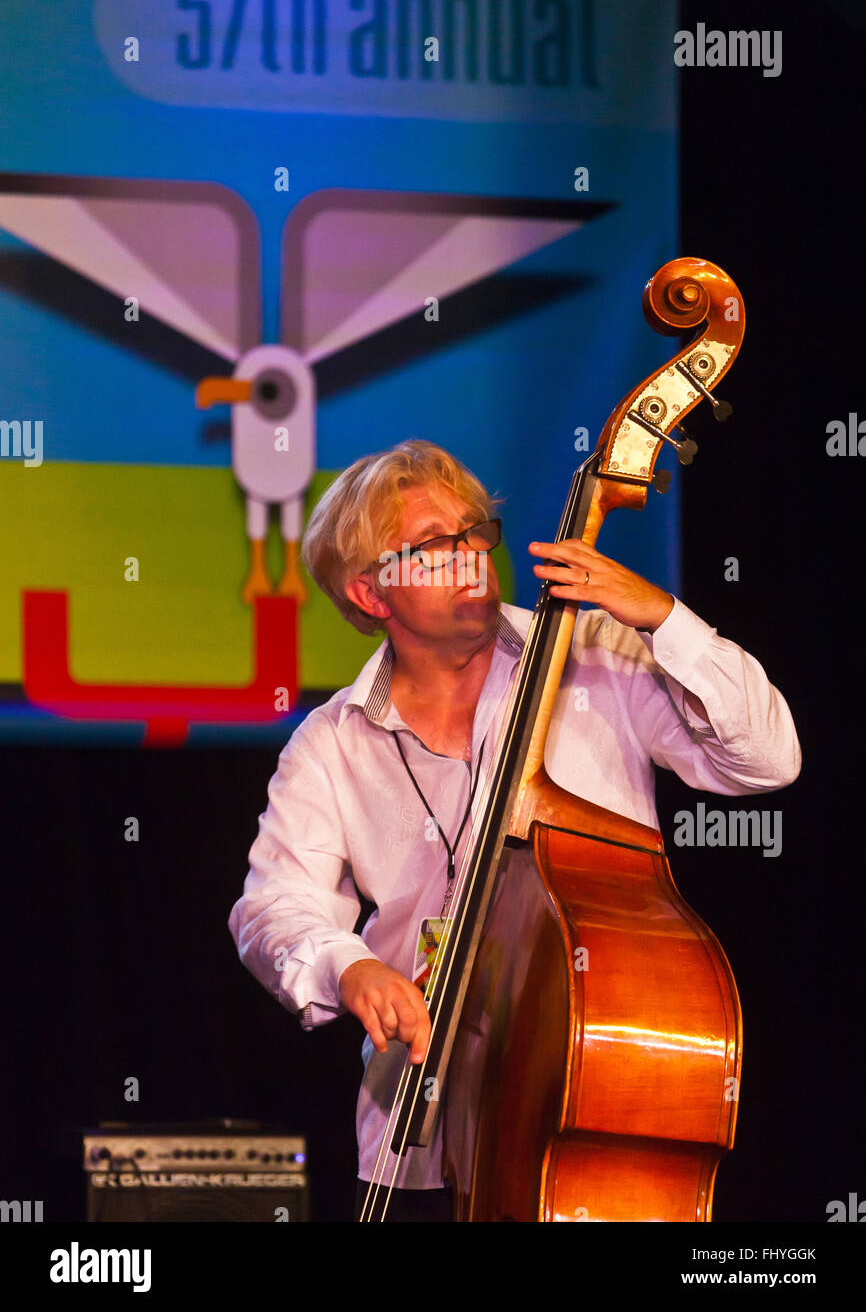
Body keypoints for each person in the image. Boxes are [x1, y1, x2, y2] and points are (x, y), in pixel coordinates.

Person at [227, 439, 801, 1222]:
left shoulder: (592, 656)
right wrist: (347, 966)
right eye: (433, 545)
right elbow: (273, 908)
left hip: (581, 1113)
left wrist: (664, 619)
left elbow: (768, 762)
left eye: (473, 533)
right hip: (417, 1145)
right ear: (369, 593)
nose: (468, 556)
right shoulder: (331, 742)